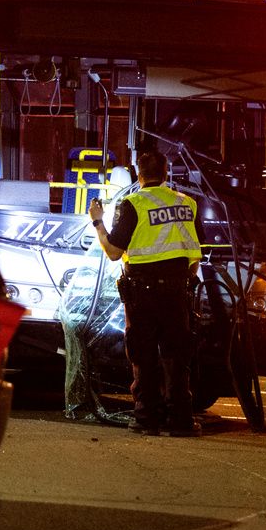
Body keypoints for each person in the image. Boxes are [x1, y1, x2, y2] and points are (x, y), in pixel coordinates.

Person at [88, 150, 204, 436]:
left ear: (138, 175)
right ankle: (180, 420)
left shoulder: (133, 203)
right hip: (177, 291)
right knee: (177, 356)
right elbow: (195, 253)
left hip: (142, 293)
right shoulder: (187, 203)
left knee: (143, 354)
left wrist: (98, 222)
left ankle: (146, 418)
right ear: (166, 173)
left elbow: (114, 252)